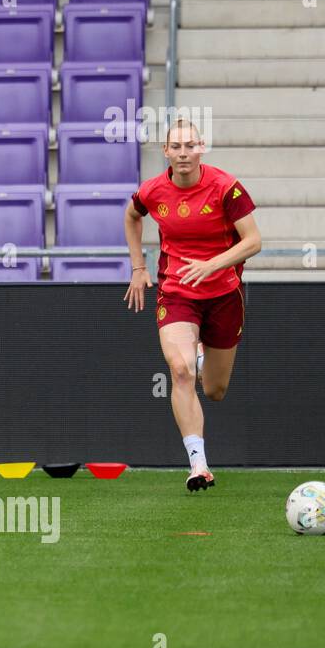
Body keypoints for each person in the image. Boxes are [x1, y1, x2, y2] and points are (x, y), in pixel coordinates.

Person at [124, 119, 262, 491]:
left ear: (201, 148)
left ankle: (204, 357)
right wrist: (138, 267)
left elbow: (253, 241)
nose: (183, 153)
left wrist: (213, 264)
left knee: (215, 390)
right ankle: (198, 464)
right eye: (176, 147)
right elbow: (132, 215)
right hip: (177, 291)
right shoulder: (152, 190)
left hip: (223, 293)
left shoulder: (225, 188)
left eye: (190, 146)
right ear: (165, 152)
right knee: (180, 370)